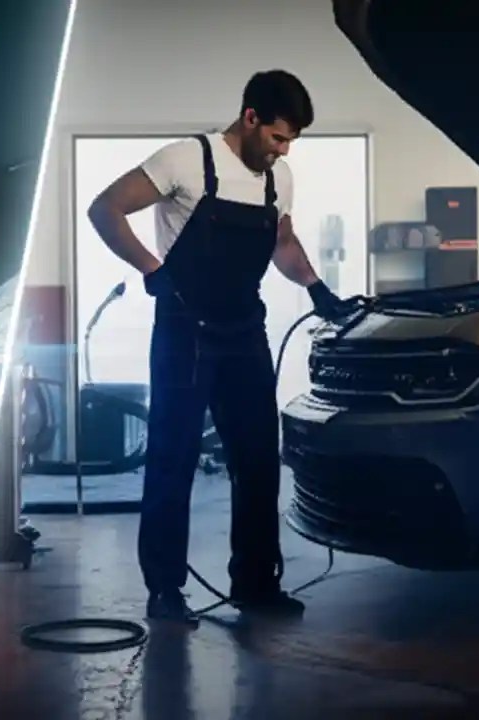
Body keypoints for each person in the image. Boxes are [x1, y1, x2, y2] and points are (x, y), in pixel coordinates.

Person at [87, 70, 345, 624]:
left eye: (290, 143)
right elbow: (104, 208)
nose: (281, 151)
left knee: (257, 459)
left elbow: (281, 240)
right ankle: (165, 593)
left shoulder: (280, 179)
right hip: (185, 331)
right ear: (250, 117)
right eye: (277, 138)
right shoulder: (187, 159)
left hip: (244, 330)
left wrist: (318, 289)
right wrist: (150, 269)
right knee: (173, 459)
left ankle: (255, 583)